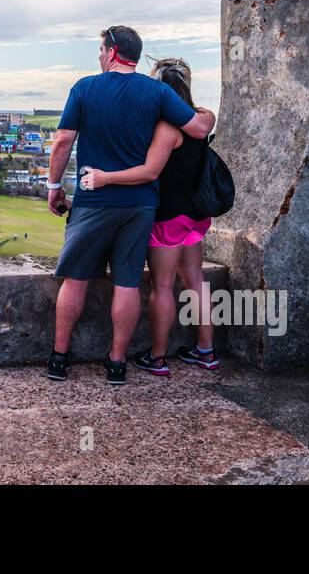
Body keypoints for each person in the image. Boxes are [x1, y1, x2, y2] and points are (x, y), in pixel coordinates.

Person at [46, 28, 215, 386]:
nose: (98, 56)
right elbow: (199, 129)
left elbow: (62, 141)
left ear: (111, 52)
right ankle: (118, 363)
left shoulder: (85, 88)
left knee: (75, 280)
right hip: (140, 205)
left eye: (100, 49)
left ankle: (59, 360)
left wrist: (54, 186)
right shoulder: (157, 92)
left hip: (94, 199)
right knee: (126, 283)